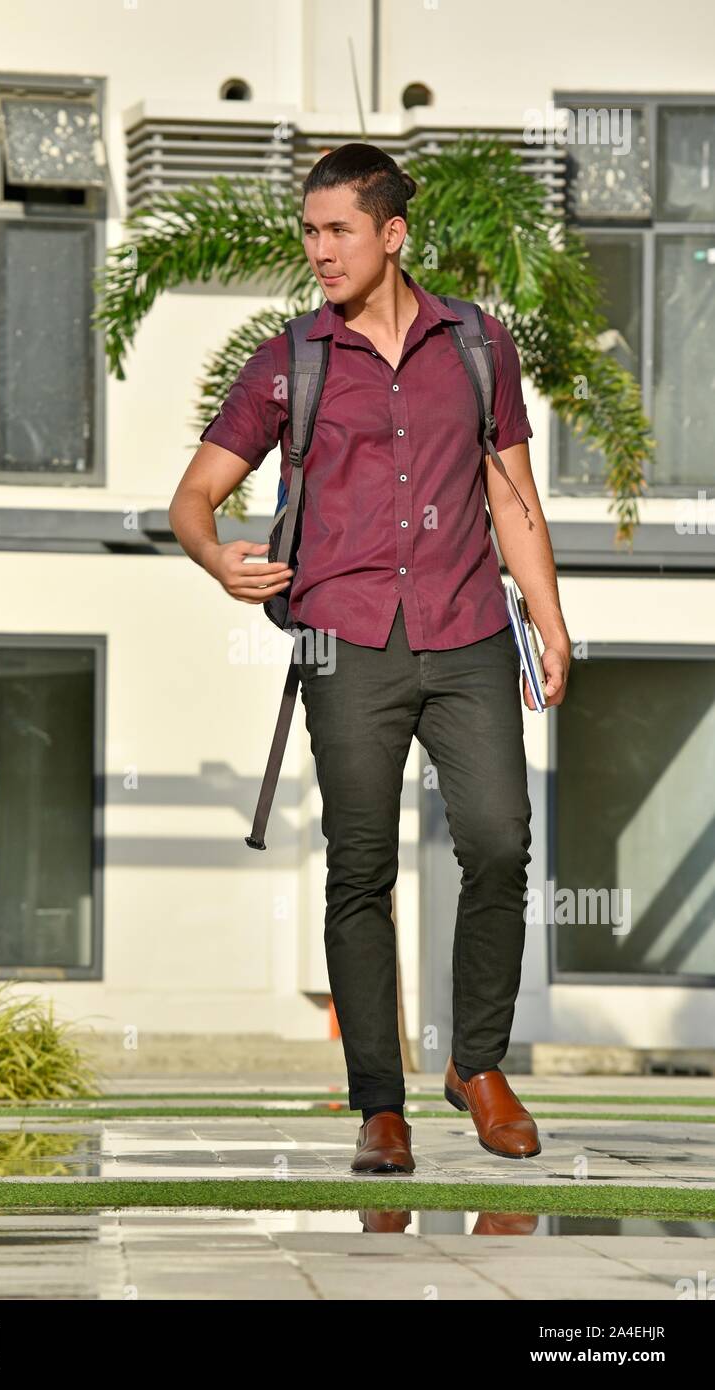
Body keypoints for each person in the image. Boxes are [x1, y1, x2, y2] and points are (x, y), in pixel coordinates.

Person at [168, 142, 571, 1175]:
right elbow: (192, 497)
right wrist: (219, 560)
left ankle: (475, 1066)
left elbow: (510, 499)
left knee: (496, 839)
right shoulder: (290, 358)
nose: (319, 250)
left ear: (391, 234)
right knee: (360, 867)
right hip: (342, 638)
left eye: (336, 229)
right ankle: (379, 1105)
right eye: (309, 231)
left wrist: (549, 617)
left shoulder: (477, 344)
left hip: (470, 628)